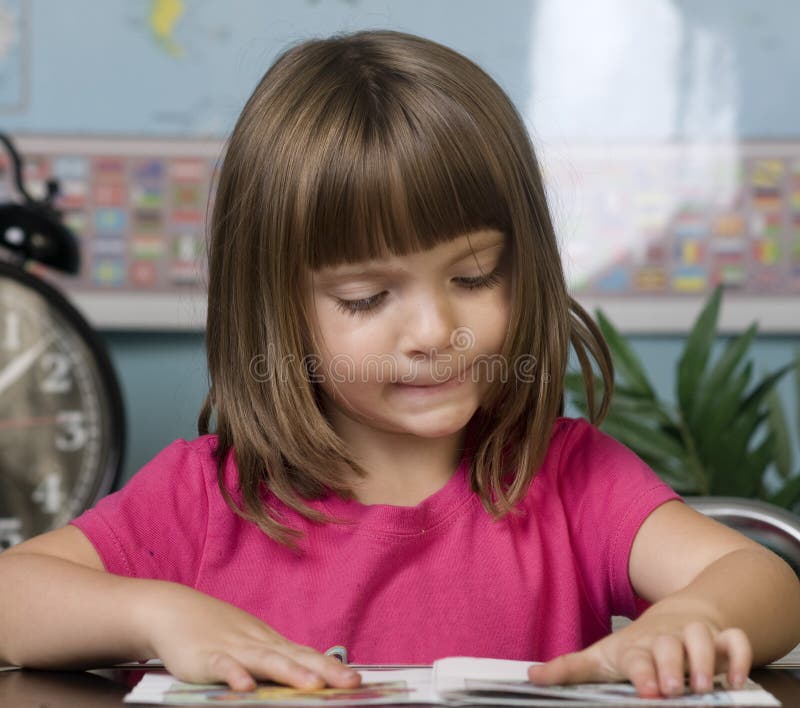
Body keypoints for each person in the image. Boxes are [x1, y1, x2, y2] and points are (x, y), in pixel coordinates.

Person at [1, 29, 799, 700]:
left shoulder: (567, 481)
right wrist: (159, 615)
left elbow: (764, 579)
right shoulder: (204, 499)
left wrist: (682, 622)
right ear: (277, 312)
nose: (434, 331)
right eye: (364, 297)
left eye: (474, 276)